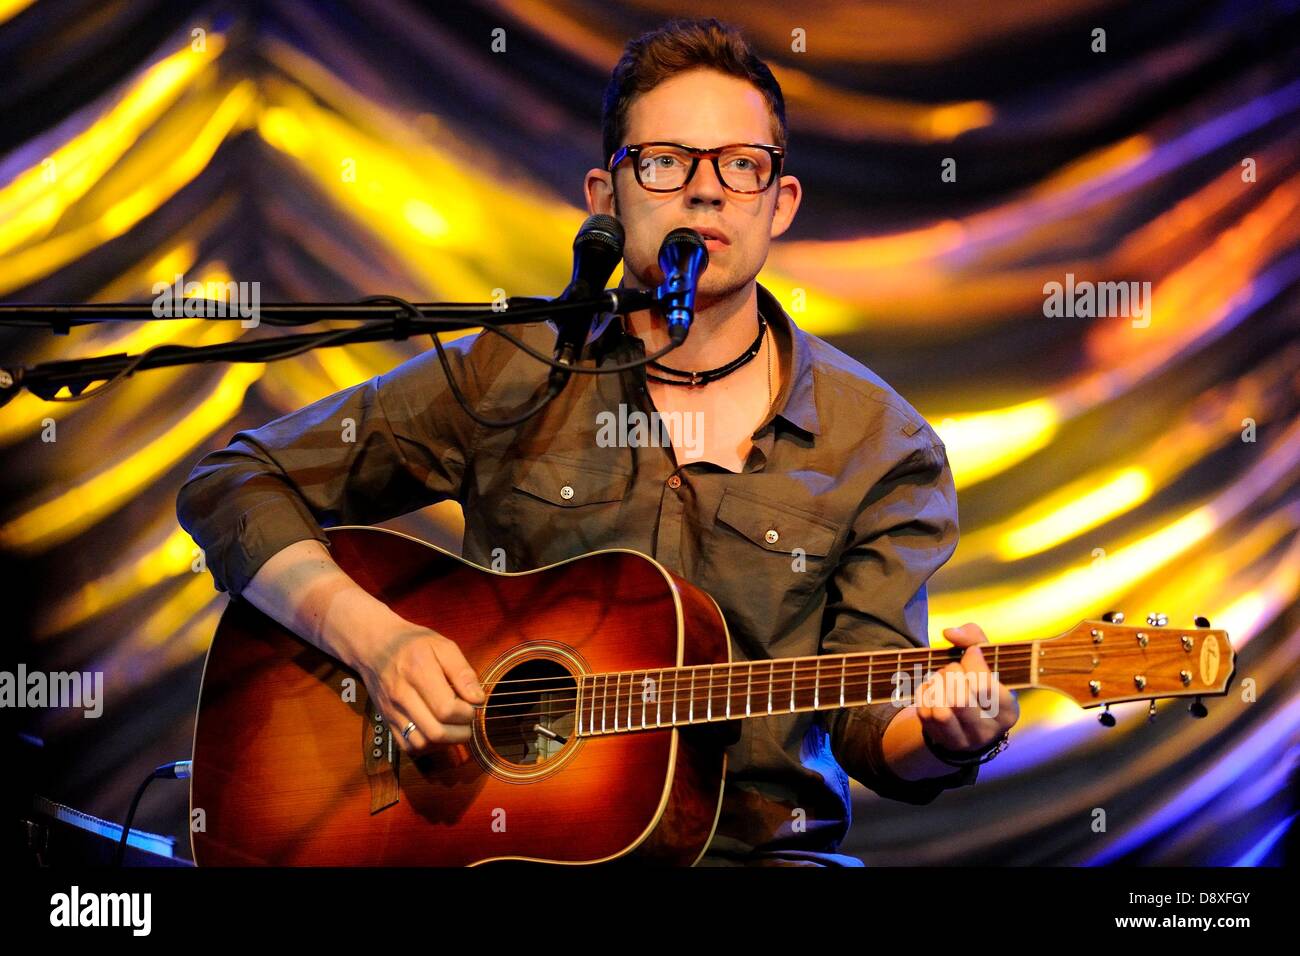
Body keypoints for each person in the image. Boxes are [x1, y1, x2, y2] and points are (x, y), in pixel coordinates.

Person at [176, 16, 1018, 866]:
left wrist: (949, 734)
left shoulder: (880, 442)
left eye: (740, 165)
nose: (704, 191)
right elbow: (234, 485)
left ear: (779, 203)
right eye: (664, 162)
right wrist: (377, 641)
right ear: (604, 198)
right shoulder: (516, 371)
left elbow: (873, 722)